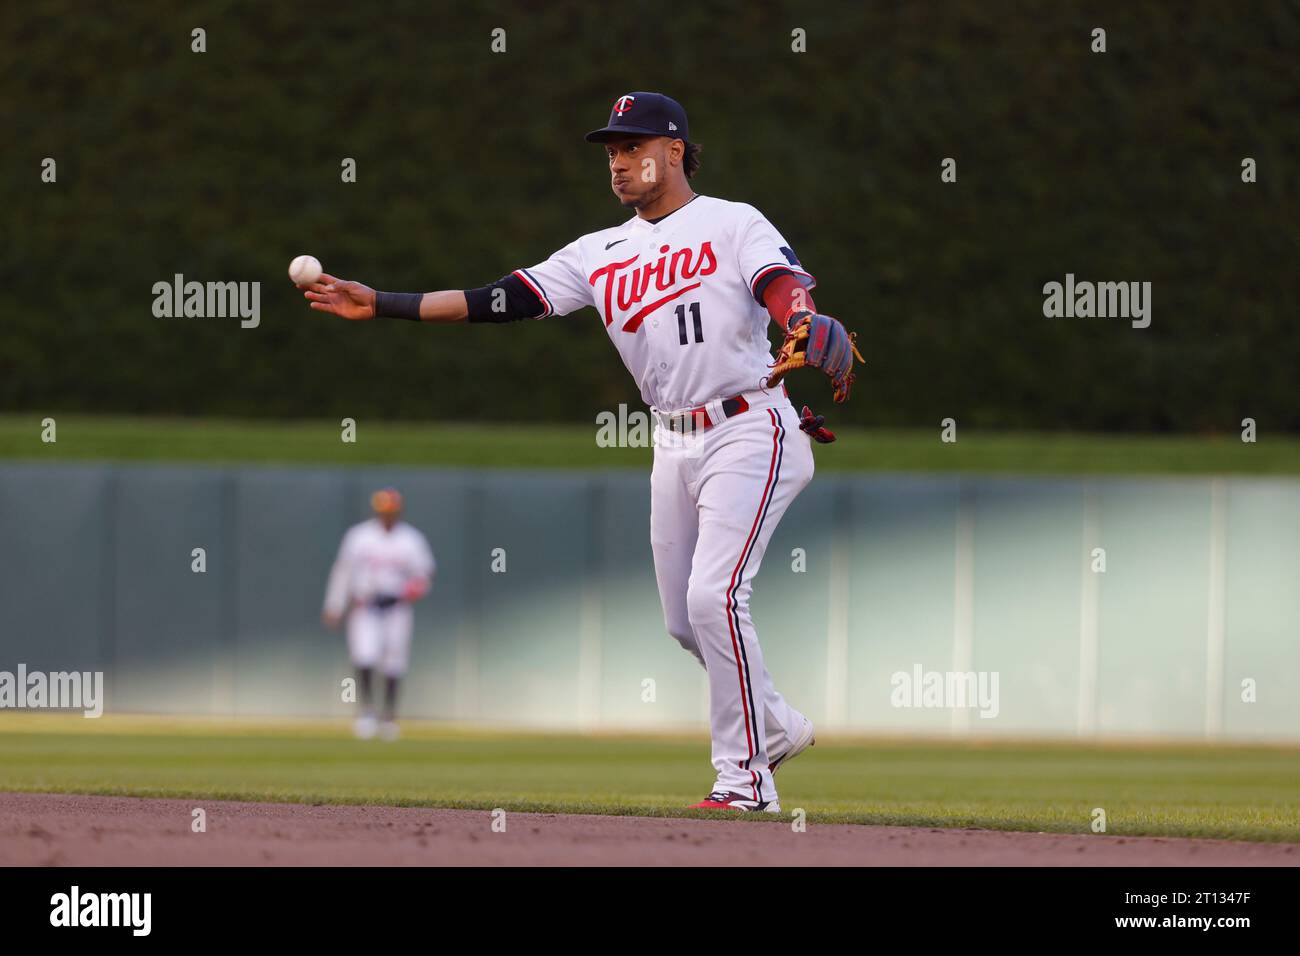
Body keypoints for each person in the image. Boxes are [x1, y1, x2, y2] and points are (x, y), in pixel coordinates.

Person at [300, 93, 861, 810]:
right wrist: (381, 302)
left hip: (751, 426)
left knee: (713, 596)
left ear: (676, 150)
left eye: (633, 147)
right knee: (684, 620)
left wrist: (805, 320)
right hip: (672, 439)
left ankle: (744, 780)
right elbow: (497, 299)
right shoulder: (599, 251)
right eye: (611, 153)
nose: (620, 163)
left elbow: (781, 286)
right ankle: (775, 724)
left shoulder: (732, 221)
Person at [322, 488, 435, 740]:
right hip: (366, 606)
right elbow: (342, 572)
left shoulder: (411, 539)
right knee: (364, 656)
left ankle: (389, 716)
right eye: (383, 511)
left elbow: (425, 573)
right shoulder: (359, 537)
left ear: (399, 511)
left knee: (394, 661)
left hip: (396, 606)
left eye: (392, 511)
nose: (387, 516)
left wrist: (414, 589)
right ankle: (366, 713)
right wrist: (334, 605)